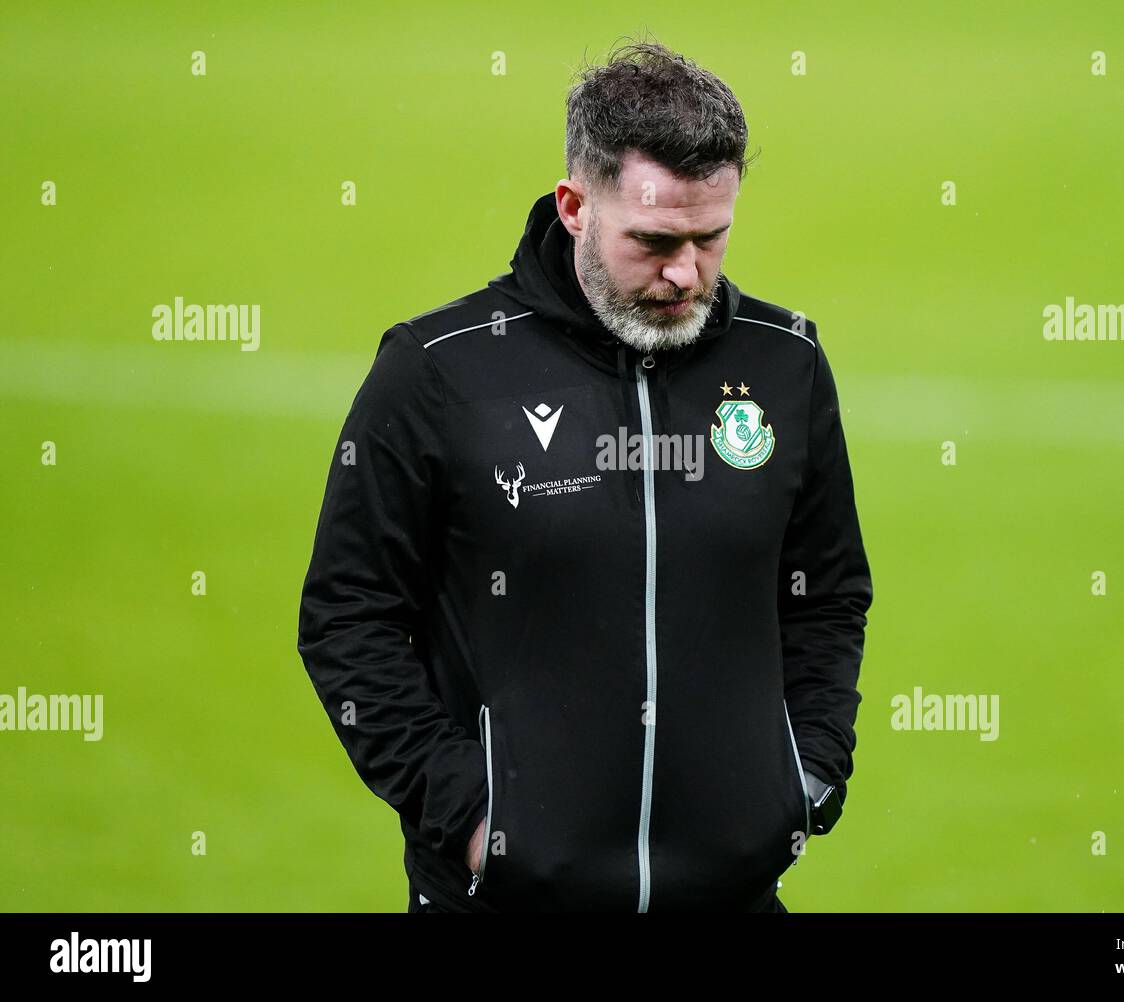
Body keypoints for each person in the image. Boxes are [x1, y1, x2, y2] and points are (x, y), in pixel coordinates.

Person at [297, 39, 873, 913]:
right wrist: (465, 813)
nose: (687, 273)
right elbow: (347, 615)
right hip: (500, 899)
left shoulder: (784, 363)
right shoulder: (440, 370)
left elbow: (828, 593)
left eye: (710, 238)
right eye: (654, 240)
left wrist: (807, 774)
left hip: (732, 899)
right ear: (574, 205)